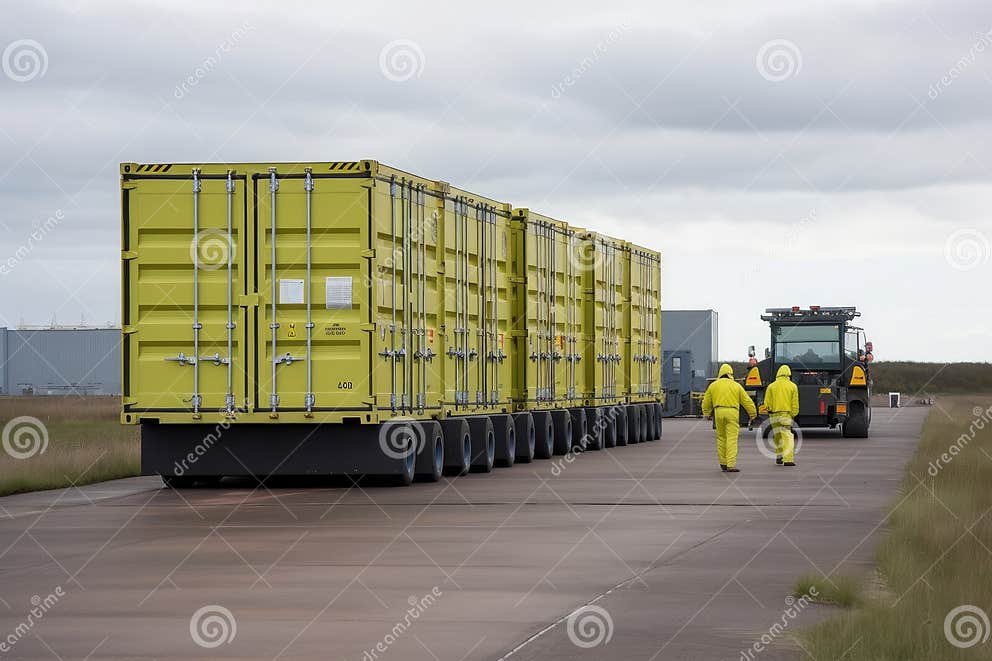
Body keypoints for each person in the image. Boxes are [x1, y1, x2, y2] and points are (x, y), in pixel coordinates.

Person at [702, 364, 757, 472]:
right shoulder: (736, 386)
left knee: (721, 438)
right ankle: (731, 465)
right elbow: (746, 401)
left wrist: (706, 413)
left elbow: (706, 401)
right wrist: (753, 414)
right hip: (732, 412)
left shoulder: (713, 385)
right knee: (731, 439)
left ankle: (723, 463)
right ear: (731, 374)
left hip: (718, 412)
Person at [764, 364, 800, 466]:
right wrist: (793, 414)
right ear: (789, 374)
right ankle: (788, 460)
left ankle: (779, 456)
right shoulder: (793, 386)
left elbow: (767, 402)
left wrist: (770, 410)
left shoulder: (771, 386)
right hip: (786, 414)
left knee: (777, 436)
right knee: (787, 436)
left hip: (774, 415)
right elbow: (795, 403)